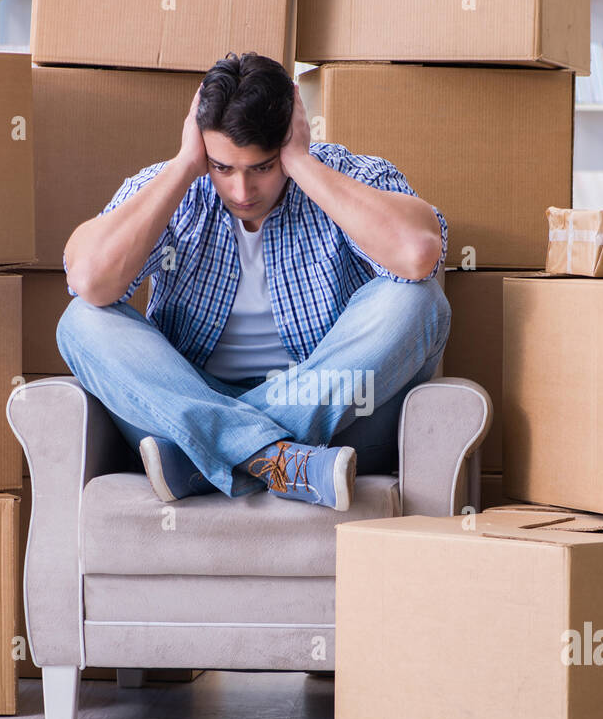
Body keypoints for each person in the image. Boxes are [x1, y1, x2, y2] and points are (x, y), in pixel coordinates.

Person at [57, 51, 451, 512]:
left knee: (417, 302)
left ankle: (205, 458)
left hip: (330, 413)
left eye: (262, 167)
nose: (242, 193)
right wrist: (186, 165)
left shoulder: (345, 175)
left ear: (291, 134)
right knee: (82, 320)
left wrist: (302, 164)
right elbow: (90, 279)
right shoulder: (173, 187)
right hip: (191, 400)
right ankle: (274, 459)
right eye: (224, 168)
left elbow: (417, 255)